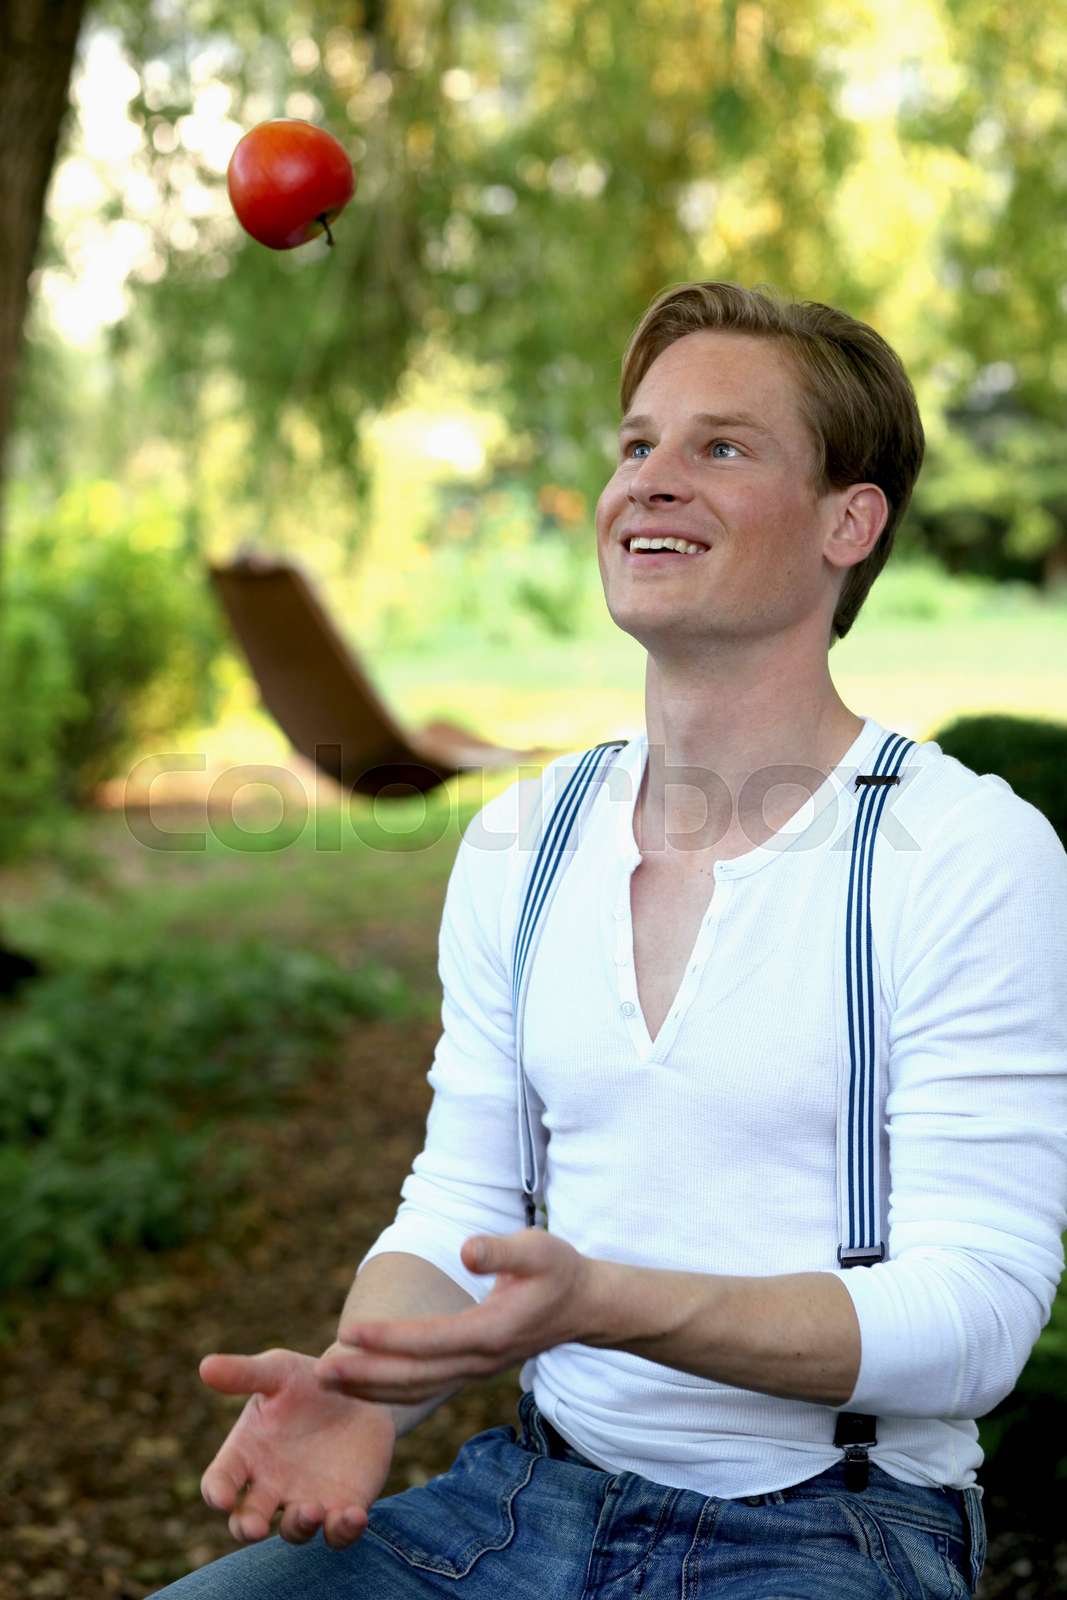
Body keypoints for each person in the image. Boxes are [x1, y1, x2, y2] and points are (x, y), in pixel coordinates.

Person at [153, 281, 1067, 1598]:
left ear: (849, 522)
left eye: (722, 446)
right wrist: (368, 1385)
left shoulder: (965, 851)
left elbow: (975, 1321)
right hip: (524, 1502)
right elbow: (462, 1204)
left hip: (834, 1531)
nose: (651, 480)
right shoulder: (521, 842)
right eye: (637, 444)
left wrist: (607, 1301)